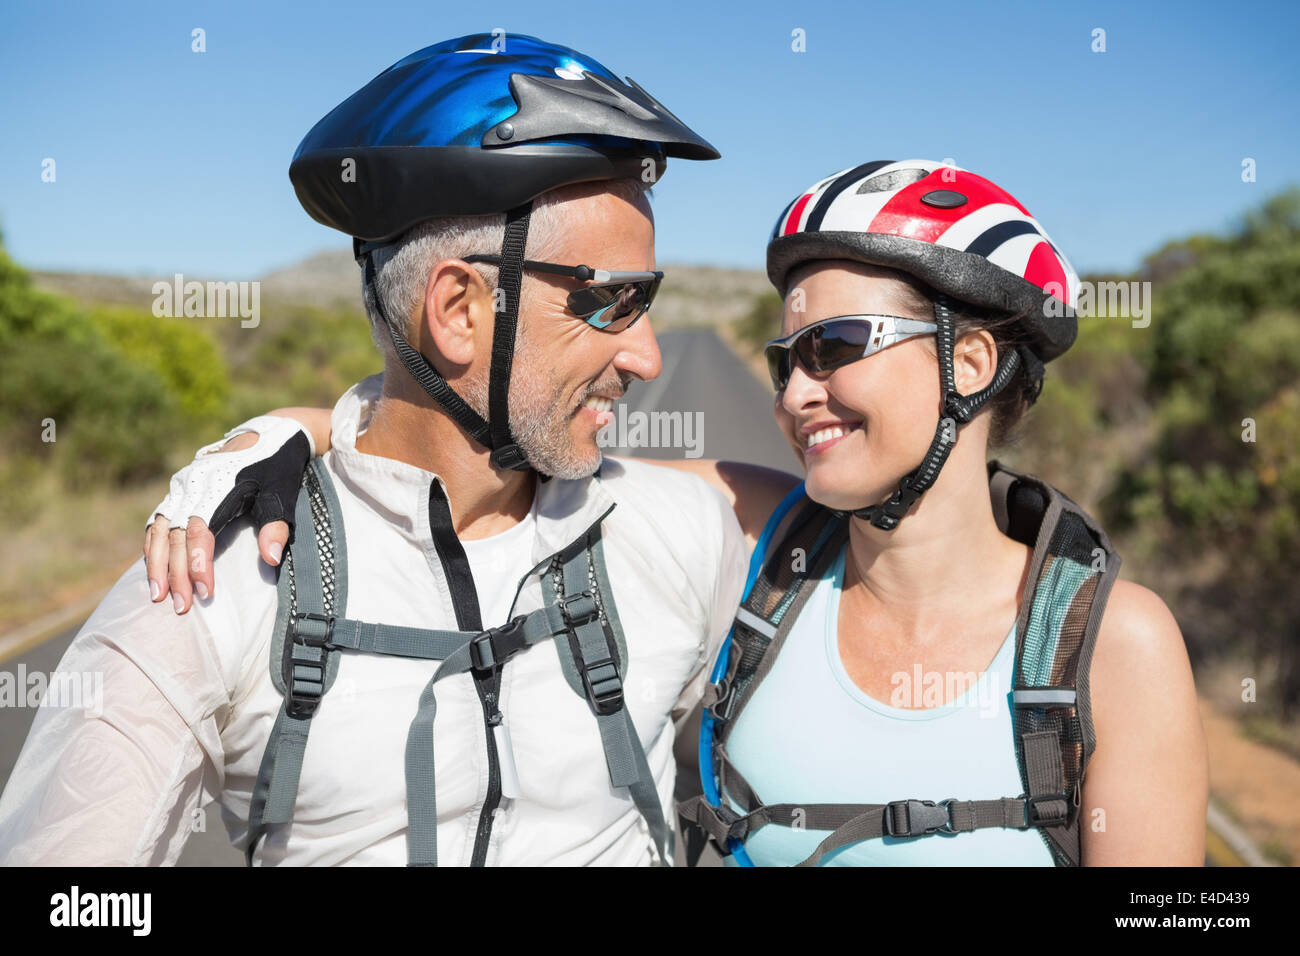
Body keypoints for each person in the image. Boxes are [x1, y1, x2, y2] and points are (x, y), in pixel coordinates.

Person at [149, 160, 1208, 867]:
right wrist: (267, 435)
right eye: (786, 357)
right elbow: (462, 444)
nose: (796, 394)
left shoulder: (1108, 644)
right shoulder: (762, 542)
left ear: (969, 360)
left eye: (836, 348)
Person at [0, 33, 769, 867]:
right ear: (459, 310)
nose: (646, 357)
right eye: (613, 302)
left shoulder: (677, 528)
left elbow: (899, 519)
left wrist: (298, 420)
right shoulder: (212, 577)